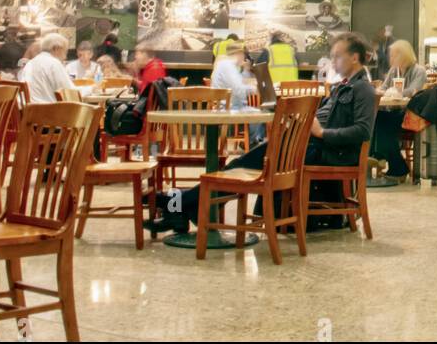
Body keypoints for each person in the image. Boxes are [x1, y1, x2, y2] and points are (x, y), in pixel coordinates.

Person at [148, 32, 377, 235]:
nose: (333, 61)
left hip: (330, 153)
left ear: (354, 58)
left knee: (245, 164)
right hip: (311, 146)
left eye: (337, 56)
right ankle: (182, 206)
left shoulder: (363, 89)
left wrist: (322, 132)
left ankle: (176, 202)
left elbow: (362, 131)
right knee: (244, 163)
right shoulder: (341, 87)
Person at [368, 39, 427, 184]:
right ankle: (381, 159)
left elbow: (413, 91)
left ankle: (381, 158)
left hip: (410, 114)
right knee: (377, 118)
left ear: (404, 55)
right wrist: (381, 91)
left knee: (382, 122)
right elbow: (384, 87)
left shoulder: (419, 71)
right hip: (393, 112)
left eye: (394, 55)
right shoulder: (394, 70)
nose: (391, 58)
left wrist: (394, 92)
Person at [210, 42, 263, 144]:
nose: (244, 58)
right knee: (257, 114)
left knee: (256, 112)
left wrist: (246, 71)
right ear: (239, 53)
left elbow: (239, 84)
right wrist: (254, 89)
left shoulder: (227, 65)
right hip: (227, 108)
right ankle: (251, 144)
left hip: (227, 105)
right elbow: (239, 91)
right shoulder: (228, 67)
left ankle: (250, 143)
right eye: (243, 55)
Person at [21, 33, 76, 104]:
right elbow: (68, 91)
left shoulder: (30, 63)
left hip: (29, 111)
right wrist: (91, 89)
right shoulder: (54, 63)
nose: (65, 57)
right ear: (56, 48)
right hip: (50, 111)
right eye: (65, 52)